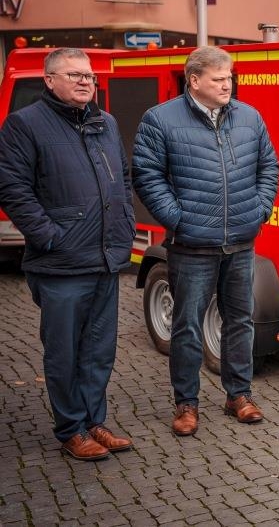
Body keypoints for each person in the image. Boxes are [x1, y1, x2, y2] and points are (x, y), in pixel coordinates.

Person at [132, 46, 279, 437]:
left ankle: (239, 395)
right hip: (191, 245)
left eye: (229, 78)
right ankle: (186, 404)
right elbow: (146, 176)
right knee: (187, 326)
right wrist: (178, 219)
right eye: (218, 79)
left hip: (240, 242)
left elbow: (269, 166)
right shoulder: (160, 120)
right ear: (194, 81)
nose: (227, 85)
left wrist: (259, 209)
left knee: (240, 320)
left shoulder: (250, 117)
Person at [0, 48, 136, 461]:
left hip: (105, 259)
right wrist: (49, 237)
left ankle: (95, 420)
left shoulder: (105, 122)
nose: (84, 82)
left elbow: (123, 179)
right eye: (74, 75)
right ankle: (70, 428)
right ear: (49, 80)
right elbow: (13, 189)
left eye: (89, 76)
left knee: (99, 350)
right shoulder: (24, 125)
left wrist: (126, 224)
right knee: (64, 351)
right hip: (60, 263)